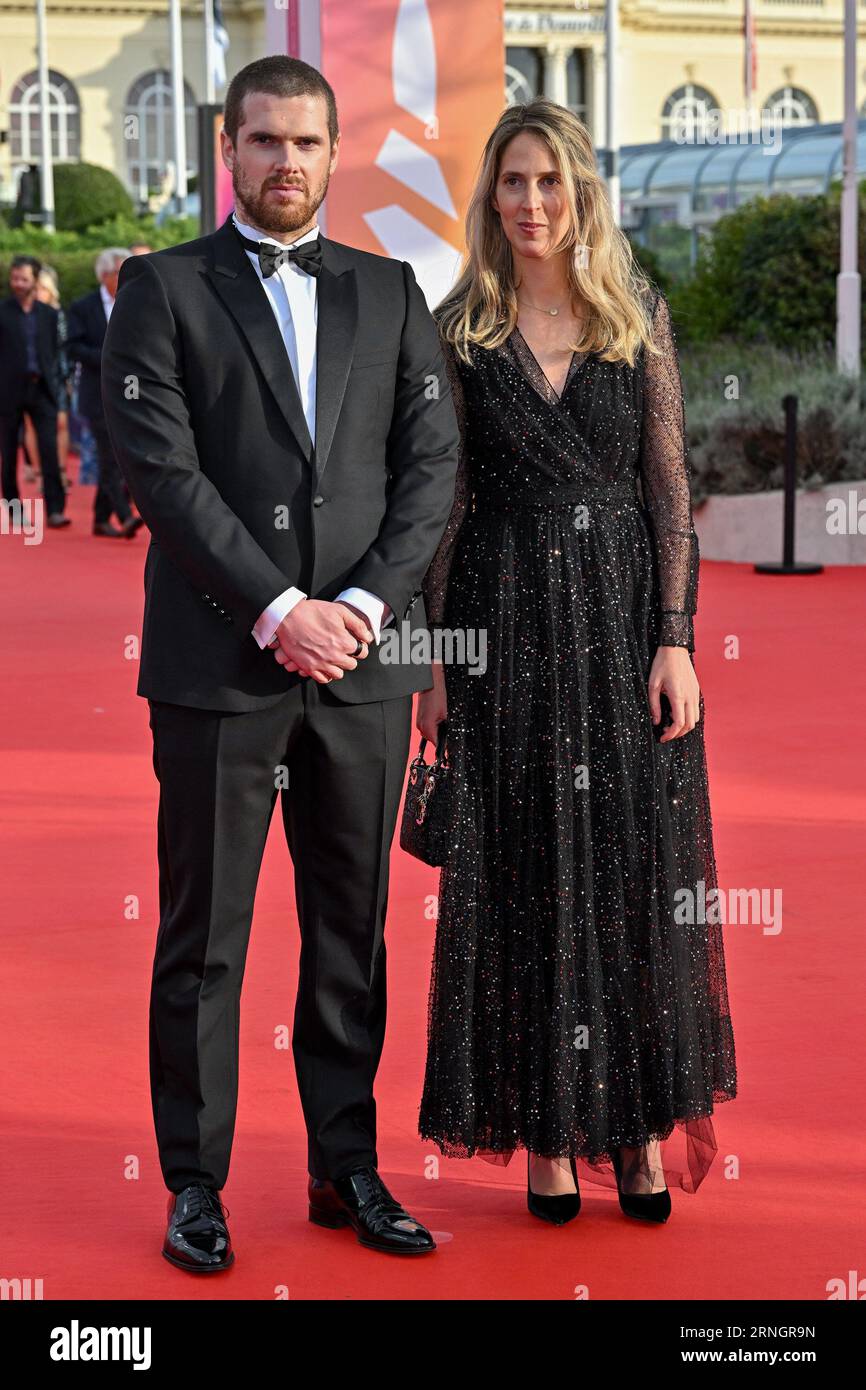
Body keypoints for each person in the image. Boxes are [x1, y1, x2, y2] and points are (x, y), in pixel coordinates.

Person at [101, 54, 459, 1270]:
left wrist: (357, 604)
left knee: (349, 933)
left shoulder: (391, 289)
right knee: (206, 938)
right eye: (264, 141)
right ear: (229, 148)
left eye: (307, 142)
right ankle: (193, 1184)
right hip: (220, 665)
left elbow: (430, 470)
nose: (287, 162)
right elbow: (163, 473)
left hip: (362, 665)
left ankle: (343, 1167)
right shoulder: (159, 290)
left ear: (332, 149)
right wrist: (276, 608)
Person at [416, 99, 737, 1225]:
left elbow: (669, 497)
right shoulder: (458, 325)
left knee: (628, 878)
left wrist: (675, 640)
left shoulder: (630, 314)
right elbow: (443, 507)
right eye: (512, 182)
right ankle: (544, 1133)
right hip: (500, 631)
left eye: (550, 181)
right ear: (488, 196)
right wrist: (434, 664)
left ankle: (637, 1126)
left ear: (581, 190)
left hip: (617, 636)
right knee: (519, 879)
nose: (531, 203)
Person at [67, 250, 145, 538]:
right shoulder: (82, 307)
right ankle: (124, 515)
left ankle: (101, 519)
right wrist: (110, 357)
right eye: (120, 272)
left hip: (132, 394)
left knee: (117, 456)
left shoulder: (136, 302)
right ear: (105, 275)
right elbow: (72, 347)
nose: (126, 278)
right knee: (111, 457)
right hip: (95, 394)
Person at [0, 254, 69, 526]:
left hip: (42, 389)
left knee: (49, 451)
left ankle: (55, 509)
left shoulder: (49, 315)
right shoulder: (2, 312)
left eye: (24, 279)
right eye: (14, 278)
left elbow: (56, 353)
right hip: (8, 391)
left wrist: (58, 386)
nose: (18, 283)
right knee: (8, 454)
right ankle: (15, 512)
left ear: (35, 280)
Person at [22, 264, 72, 493]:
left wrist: (67, 377)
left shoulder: (57, 314)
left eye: (43, 288)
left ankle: (60, 472)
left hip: (57, 377)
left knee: (61, 424)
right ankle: (41, 473)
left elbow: (65, 347)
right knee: (32, 426)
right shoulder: (23, 313)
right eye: (37, 287)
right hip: (29, 379)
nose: (39, 292)